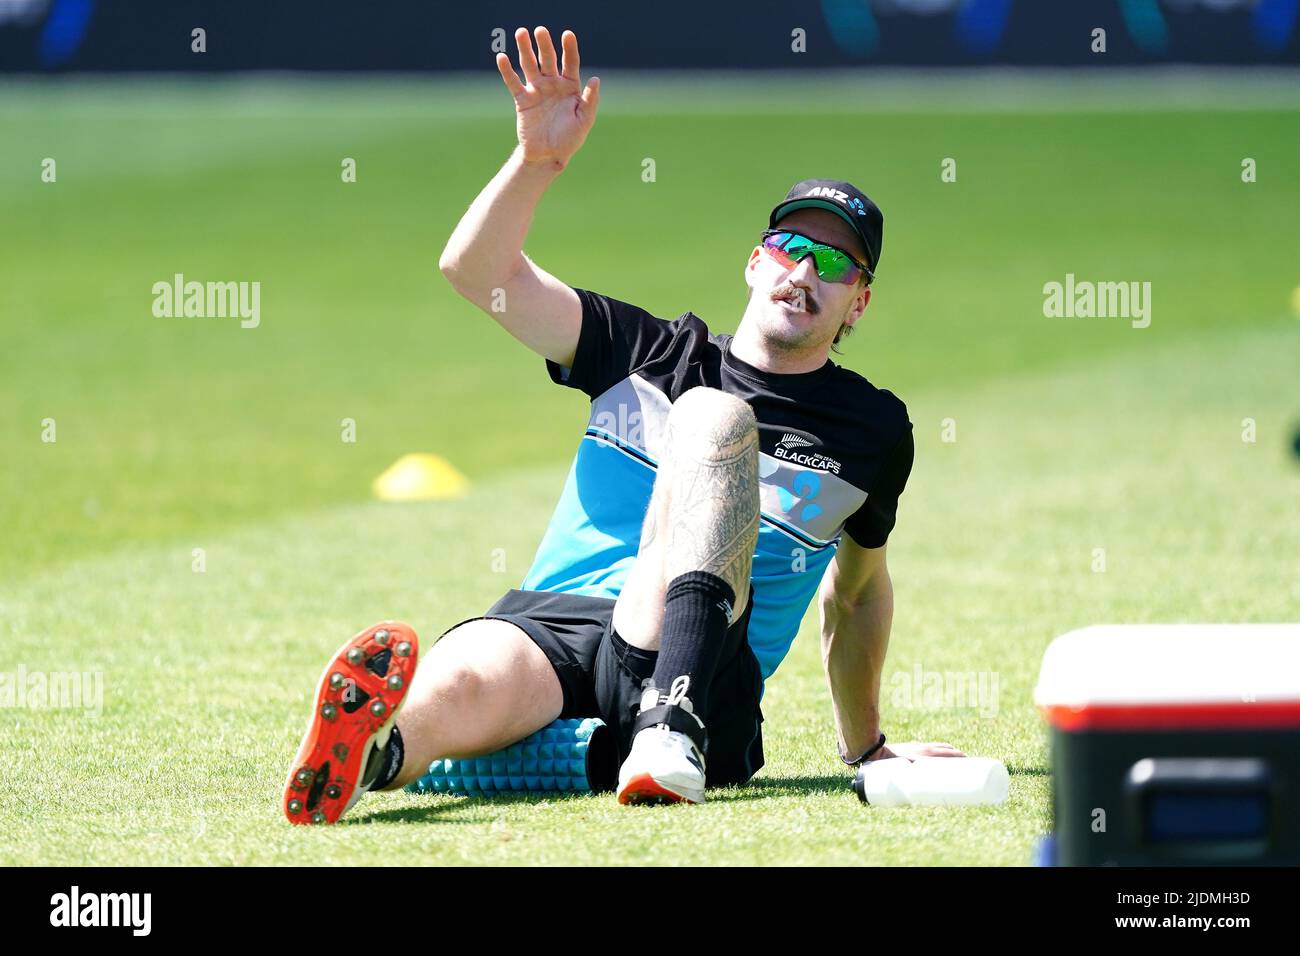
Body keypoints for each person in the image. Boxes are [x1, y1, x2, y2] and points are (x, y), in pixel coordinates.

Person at [282, 26, 964, 825]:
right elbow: (477, 273)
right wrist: (536, 164)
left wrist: (867, 747)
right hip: (563, 630)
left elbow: (855, 597)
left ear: (860, 303)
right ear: (756, 260)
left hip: (710, 670)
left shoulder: (871, 429)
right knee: (468, 672)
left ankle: (667, 728)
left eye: (839, 264)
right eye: (791, 246)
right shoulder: (645, 350)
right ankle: (380, 757)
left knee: (713, 417)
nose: (807, 271)